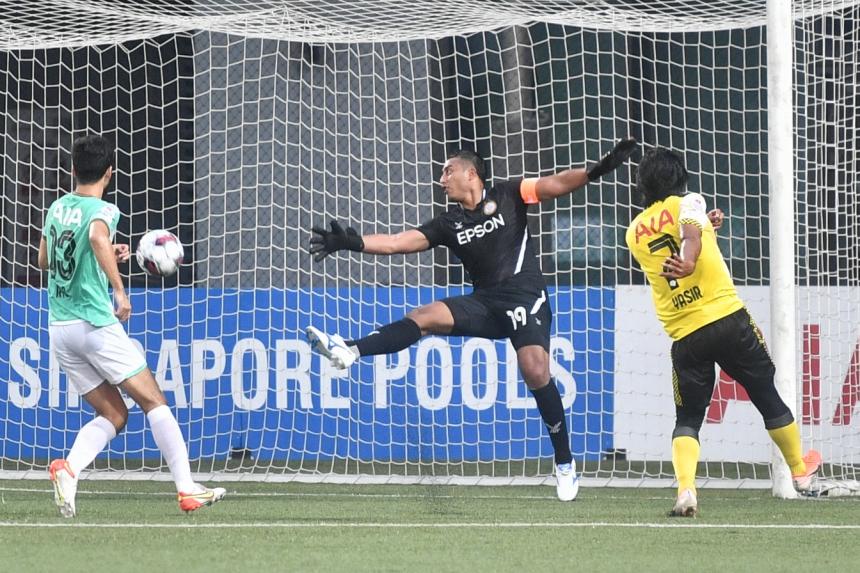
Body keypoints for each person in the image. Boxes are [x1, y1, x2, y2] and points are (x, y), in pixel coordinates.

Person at [306, 138, 637, 501]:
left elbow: (555, 183)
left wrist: (594, 172)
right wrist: (352, 243)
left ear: (471, 174)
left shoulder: (510, 193)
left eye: (448, 171)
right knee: (424, 316)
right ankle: (350, 350)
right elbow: (399, 242)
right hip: (485, 304)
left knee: (534, 369)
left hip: (525, 297)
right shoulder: (448, 223)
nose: (441, 180)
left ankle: (564, 461)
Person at [624, 146, 821, 517]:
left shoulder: (633, 233)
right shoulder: (689, 202)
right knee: (765, 393)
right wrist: (690, 255)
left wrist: (706, 228)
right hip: (727, 319)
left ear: (643, 186)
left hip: (685, 334)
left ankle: (686, 490)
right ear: (679, 179)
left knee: (687, 419)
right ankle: (799, 470)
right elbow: (688, 237)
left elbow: (678, 235)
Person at [38, 134, 226, 517]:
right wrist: (120, 291)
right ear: (109, 173)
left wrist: (106, 253)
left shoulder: (57, 207)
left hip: (60, 328)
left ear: (73, 170)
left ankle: (69, 469)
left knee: (115, 414)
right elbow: (95, 235)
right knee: (154, 400)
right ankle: (187, 489)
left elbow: (45, 260)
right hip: (93, 324)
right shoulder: (103, 210)